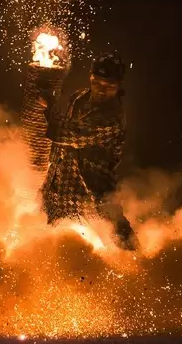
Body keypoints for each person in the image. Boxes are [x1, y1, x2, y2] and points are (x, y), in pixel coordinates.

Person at [37, 53, 137, 250]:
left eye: (109, 87)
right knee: (48, 246)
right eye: (97, 83)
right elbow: (61, 143)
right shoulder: (79, 98)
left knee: (123, 247)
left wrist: (50, 106)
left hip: (92, 195)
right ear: (91, 78)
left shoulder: (112, 119)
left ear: (119, 86)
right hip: (60, 189)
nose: (101, 90)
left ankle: (149, 272)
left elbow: (68, 135)